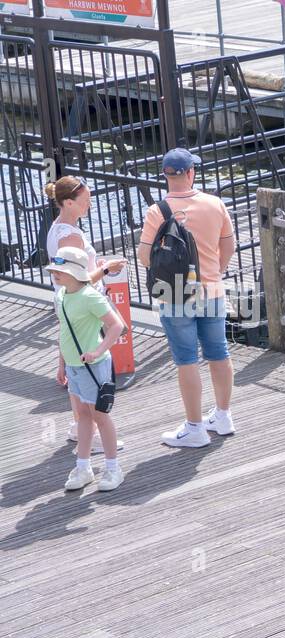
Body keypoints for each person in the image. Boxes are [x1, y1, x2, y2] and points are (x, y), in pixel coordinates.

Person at [137, 147, 236, 448]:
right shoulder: (215, 203)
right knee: (218, 351)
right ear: (191, 172)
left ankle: (195, 428)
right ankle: (223, 415)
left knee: (186, 359)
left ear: (166, 175)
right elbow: (228, 247)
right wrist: (213, 273)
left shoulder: (158, 211)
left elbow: (144, 257)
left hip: (175, 293)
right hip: (213, 290)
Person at [44, 176, 125, 456]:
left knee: (75, 358)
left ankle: (78, 426)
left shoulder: (58, 228)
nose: (90, 203)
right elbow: (78, 279)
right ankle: (92, 430)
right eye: (85, 200)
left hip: (67, 303)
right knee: (92, 367)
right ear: (69, 202)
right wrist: (105, 269)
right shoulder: (71, 235)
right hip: (83, 304)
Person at [49, 247, 125, 492]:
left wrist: (99, 351)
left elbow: (117, 326)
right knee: (82, 416)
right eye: (54, 270)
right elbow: (64, 333)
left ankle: (113, 468)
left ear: (75, 273)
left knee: (100, 417)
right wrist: (61, 364)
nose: (55, 274)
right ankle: (83, 467)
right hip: (74, 367)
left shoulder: (90, 296)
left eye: (60, 271)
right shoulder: (61, 296)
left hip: (93, 366)